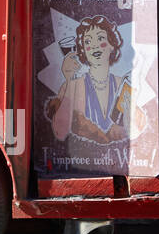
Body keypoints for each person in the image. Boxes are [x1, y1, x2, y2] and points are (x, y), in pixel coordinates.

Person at [47, 15, 129, 145]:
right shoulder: (72, 85)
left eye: (100, 38)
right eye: (88, 42)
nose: (95, 46)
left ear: (112, 45)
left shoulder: (123, 84)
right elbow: (60, 133)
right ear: (83, 50)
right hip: (77, 162)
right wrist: (69, 80)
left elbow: (134, 131)